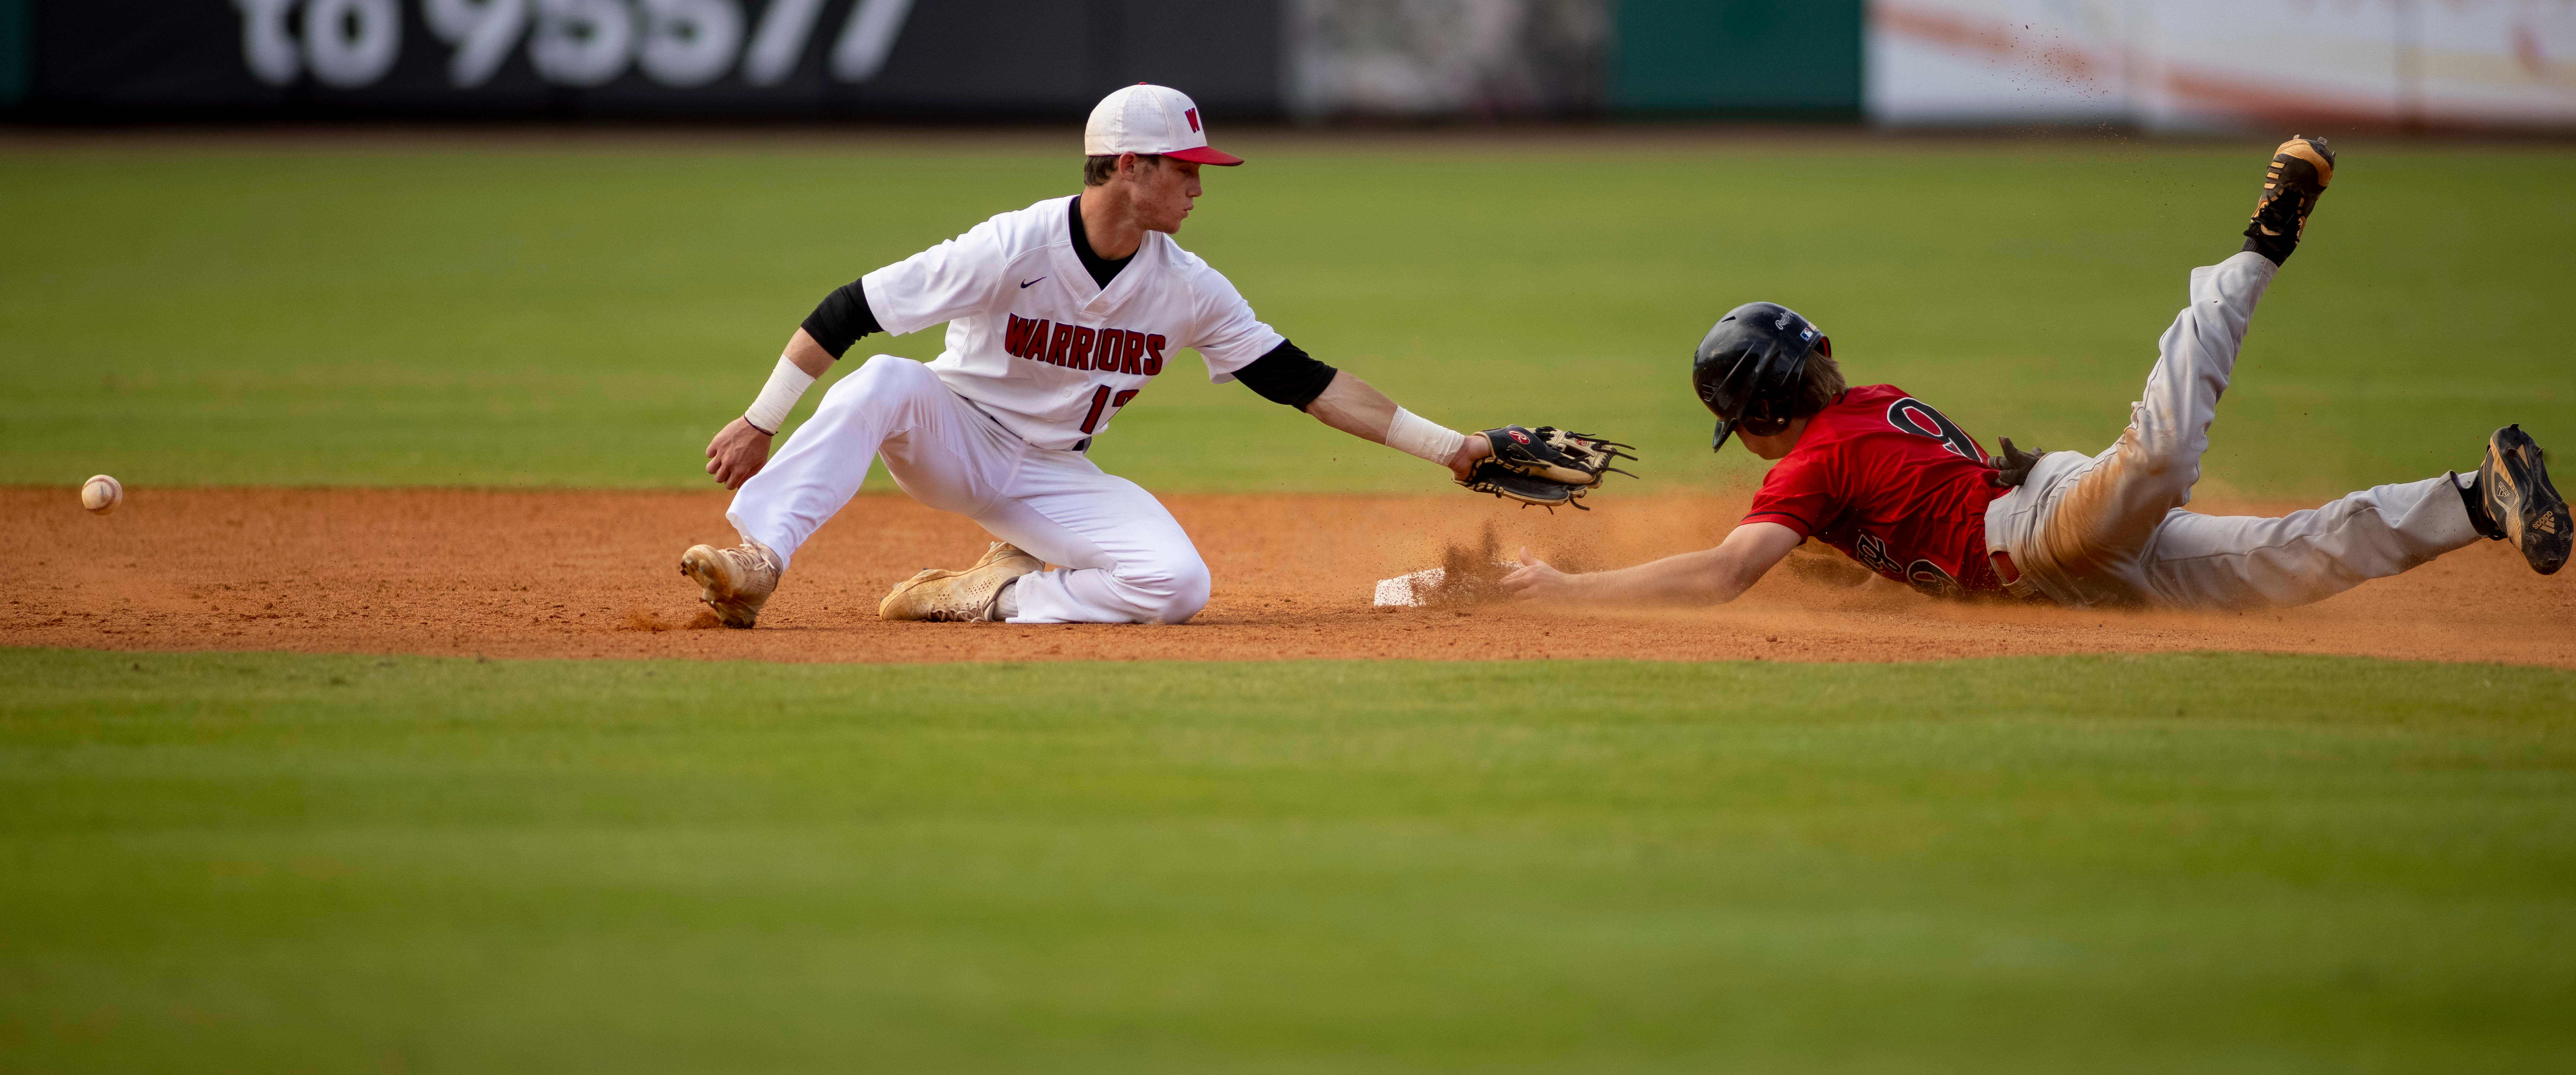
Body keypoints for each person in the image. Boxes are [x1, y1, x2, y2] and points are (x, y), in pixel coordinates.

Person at [1503, 137, 2570, 610]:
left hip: (2051, 529)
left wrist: (1564, 589)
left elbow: (1723, 574)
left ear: (1763, 415)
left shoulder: (1814, 461)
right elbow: (1860, 533)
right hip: (2077, 573)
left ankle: (2257, 243)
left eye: (1743, 427)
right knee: (2286, 559)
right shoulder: (1864, 417)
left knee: (2159, 454)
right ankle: (2477, 498)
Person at [680, 84, 1500, 627]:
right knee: (885, 380)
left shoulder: (1189, 288)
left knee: (1179, 585)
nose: (1198, 187)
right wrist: (760, 421)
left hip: (1048, 475)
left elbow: (1306, 383)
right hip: (950, 432)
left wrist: (1453, 449)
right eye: (1183, 170)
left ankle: (995, 592)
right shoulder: (1013, 244)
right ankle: (760, 560)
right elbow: (850, 308)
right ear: (1126, 166)